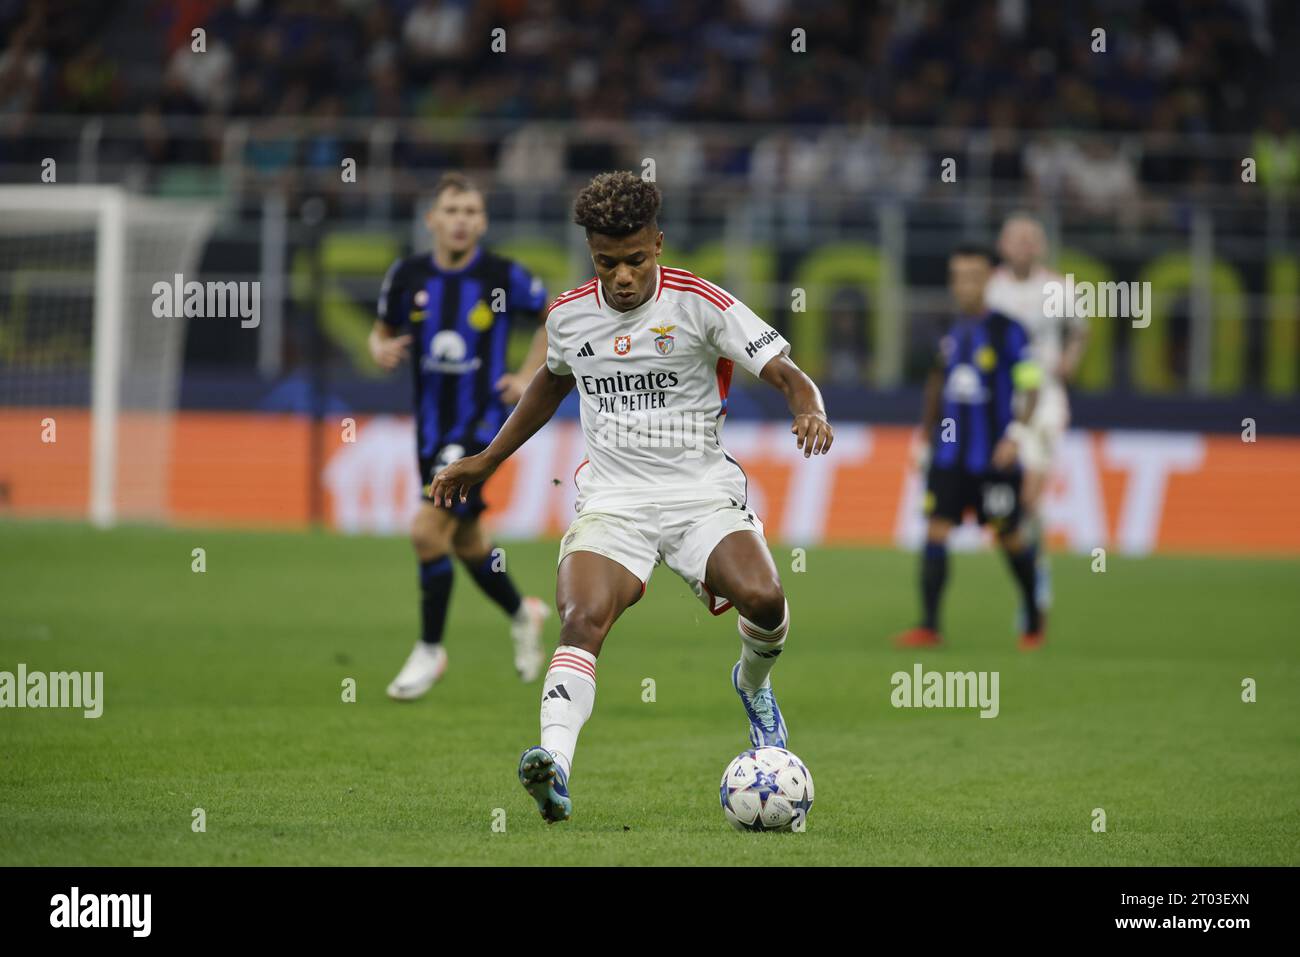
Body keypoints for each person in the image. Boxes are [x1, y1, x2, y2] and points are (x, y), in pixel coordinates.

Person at [429, 171, 834, 822]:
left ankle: (754, 688)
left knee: (764, 597)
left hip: (701, 494)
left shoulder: (701, 304)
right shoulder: (569, 316)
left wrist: (809, 409)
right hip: (614, 501)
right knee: (581, 616)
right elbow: (549, 383)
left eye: (636, 260)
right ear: (592, 255)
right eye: (607, 262)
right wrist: (486, 459)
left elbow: (786, 372)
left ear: (659, 245)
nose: (622, 276)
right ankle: (554, 765)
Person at [372, 171, 551, 700]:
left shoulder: (501, 275)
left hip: (477, 427)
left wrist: (526, 376)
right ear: (432, 219)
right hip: (429, 429)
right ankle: (523, 613)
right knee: (469, 543)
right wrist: (377, 346)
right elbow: (382, 330)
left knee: (427, 532)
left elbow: (552, 318)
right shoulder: (406, 275)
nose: (461, 220)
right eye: (452, 210)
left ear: (483, 222)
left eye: (472, 212)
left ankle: (430, 651)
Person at [894, 244, 1045, 651]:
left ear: (989, 279)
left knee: (1008, 535)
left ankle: (1033, 619)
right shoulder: (947, 328)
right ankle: (929, 625)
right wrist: (924, 439)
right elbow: (935, 386)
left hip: (993, 458)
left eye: (974, 276)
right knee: (936, 531)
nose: (965, 284)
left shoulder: (1009, 330)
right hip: (948, 457)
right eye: (958, 276)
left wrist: (1016, 435)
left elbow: (1031, 387)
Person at [984, 214, 1088, 617]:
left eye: (1031, 239)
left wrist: (1070, 358)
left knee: (1026, 496)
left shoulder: (1059, 288)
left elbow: (1080, 329)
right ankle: (1033, 567)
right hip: (1005, 401)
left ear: (1041, 246)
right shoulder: (993, 288)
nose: (1024, 246)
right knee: (1013, 504)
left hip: (1044, 399)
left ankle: (1034, 576)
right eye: (1017, 239)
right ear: (1003, 245)